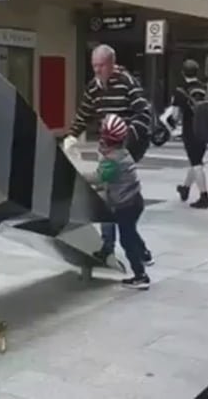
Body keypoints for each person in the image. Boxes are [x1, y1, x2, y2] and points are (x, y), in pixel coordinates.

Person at [63, 44, 154, 264]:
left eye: (101, 66)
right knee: (108, 194)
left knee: (111, 193)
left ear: (112, 64)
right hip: (107, 145)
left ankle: (125, 248)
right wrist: (71, 136)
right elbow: (84, 112)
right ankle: (115, 246)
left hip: (125, 147)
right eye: (94, 65)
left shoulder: (127, 82)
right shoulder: (94, 87)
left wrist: (126, 138)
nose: (97, 70)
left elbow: (144, 113)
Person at [83, 115, 151, 290]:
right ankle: (144, 253)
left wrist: (79, 177)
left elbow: (99, 177)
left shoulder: (112, 160)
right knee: (130, 232)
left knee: (127, 240)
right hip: (134, 201)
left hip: (124, 206)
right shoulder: (123, 152)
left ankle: (140, 276)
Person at [173, 59, 208, 209]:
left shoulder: (180, 90)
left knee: (196, 163)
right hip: (205, 128)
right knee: (196, 159)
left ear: (183, 73)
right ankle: (185, 188)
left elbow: (175, 115)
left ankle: (204, 196)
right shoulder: (206, 87)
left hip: (190, 129)